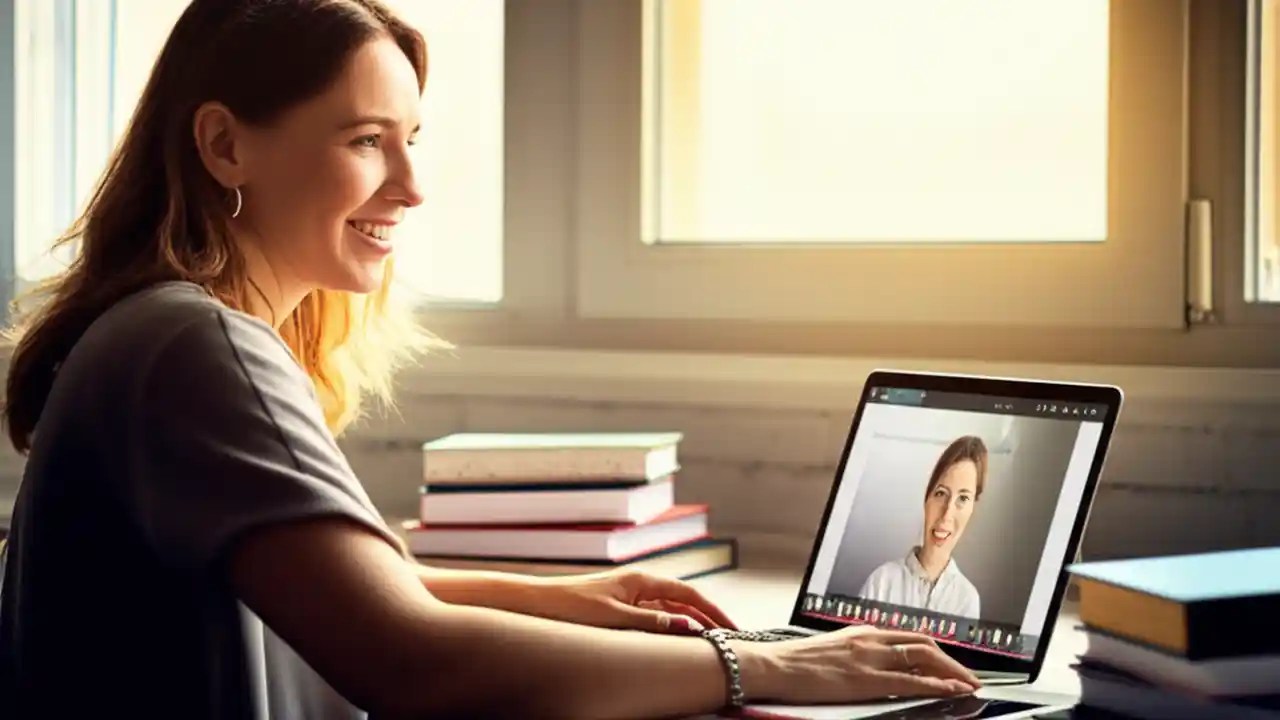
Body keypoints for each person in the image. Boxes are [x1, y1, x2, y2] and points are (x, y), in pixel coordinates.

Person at [0, 1, 982, 717]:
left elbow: (350, 589)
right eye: (366, 140)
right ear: (223, 146)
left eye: (413, 139)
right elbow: (411, 663)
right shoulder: (195, 344)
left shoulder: (161, 329)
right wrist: (761, 666)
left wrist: (559, 601)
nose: (414, 185)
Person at [859, 436, 987, 619]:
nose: (947, 514)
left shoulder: (967, 599)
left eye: (963, 498)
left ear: (972, 508)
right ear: (926, 499)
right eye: (941, 493)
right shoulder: (881, 581)